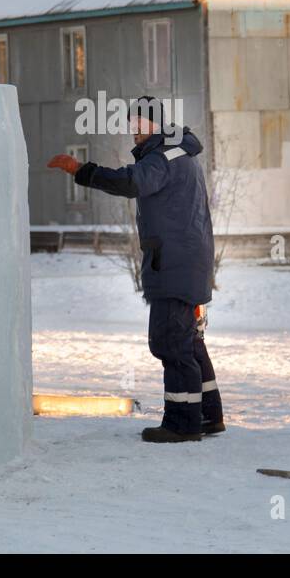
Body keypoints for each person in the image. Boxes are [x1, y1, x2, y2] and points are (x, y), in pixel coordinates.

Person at [47, 97, 224, 443]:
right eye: (131, 122)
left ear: (155, 124)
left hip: (174, 262)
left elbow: (131, 182)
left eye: (138, 122)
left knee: (170, 342)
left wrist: (81, 171)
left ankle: (182, 422)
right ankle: (207, 414)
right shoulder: (177, 152)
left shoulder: (165, 156)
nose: (133, 129)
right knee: (188, 341)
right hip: (183, 261)